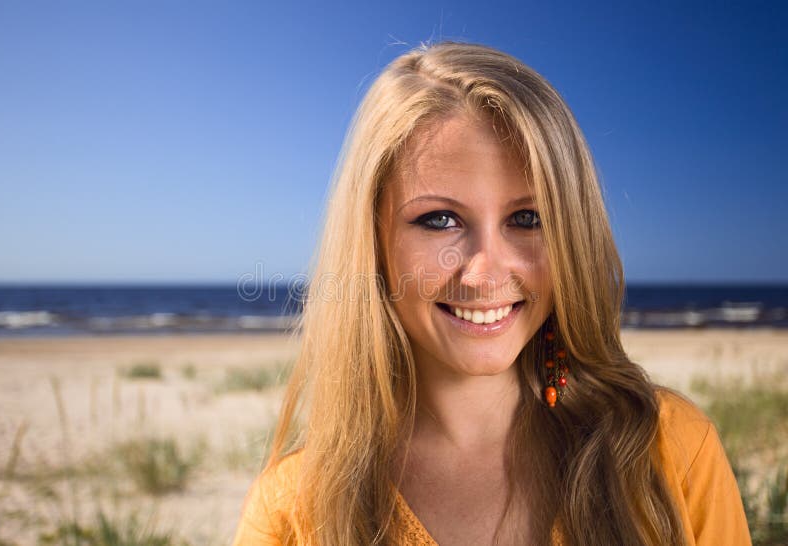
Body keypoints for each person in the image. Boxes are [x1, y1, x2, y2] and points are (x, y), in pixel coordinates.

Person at [231, 40, 751, 545]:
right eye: (440, 220)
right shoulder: (288, 512)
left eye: (527, 218)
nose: (483, 273)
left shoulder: (673, 450)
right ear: (371, 240)